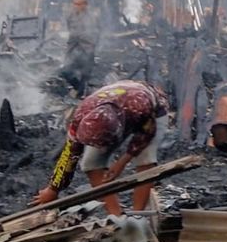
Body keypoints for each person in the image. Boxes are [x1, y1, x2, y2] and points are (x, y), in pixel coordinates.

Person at [32, 80, 170, 215]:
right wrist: (53, 189)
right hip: (111, 106)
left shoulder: (139, 107)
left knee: (145, 159)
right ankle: (116, 217)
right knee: (90, 164)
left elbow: (146, 135)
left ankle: (138, 216)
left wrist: (122, 162)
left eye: (103, 145)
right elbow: (69, 156)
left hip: (153, 108)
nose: (102, 149)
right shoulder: (79, 119)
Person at [62, 0, 98, 98]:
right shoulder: (70, 15)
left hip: (87, 50)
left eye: (78, 4)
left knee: (85, 76)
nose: (75, 6)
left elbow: (96, 33)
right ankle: (79, 89)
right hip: (73, 49)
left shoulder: (92, 17)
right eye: (74, 3)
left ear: (85, 5)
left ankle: (82, 97)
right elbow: (70, 30)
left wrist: (91, 45)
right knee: (66, 72)